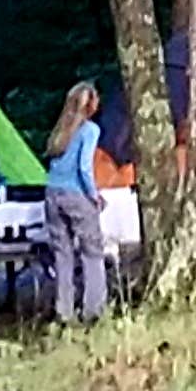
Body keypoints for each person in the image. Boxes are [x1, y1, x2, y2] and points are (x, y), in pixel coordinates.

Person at [40, 83, 112, 323]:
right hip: (76, 195)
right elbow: (84, 167)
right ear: (90, 105)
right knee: (93, 252)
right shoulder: (90, 130)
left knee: (62, 254)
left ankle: (65, 311)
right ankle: (94, 310)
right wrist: (94, 196)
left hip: (52, 193)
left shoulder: (61, 131)